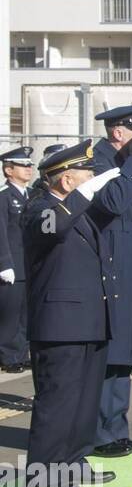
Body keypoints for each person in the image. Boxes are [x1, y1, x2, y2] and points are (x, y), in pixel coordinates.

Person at [21, 142, 121, 487]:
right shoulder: (39, 209)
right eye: (86, 174)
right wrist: (80, 198)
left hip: (89, 319)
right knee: (58, 400)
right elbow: (54, 228)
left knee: (84, 401)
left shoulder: (80, 211)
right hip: (58, 321)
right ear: (66, 180)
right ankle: (41, 475)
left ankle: (74, 462)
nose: (91, 180)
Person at [87, 102, 132, 460]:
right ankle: (100, 433)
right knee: (109, 350)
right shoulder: (97, 160)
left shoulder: (129, 163)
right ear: (117, 132)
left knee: (126, 352)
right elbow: (113, 202)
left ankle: (116, 428)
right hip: (112, 257)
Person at [0, 146, 34, 372]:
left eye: (29, 165)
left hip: (29, 265)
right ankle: (9, 356)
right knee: (10, 316)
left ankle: (21, 353)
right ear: (8, 170)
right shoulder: (4, 197)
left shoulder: (32, 195)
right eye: (23, 166)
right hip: (13, 265)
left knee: (26, 314)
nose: (29, 169)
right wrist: (4, 263)